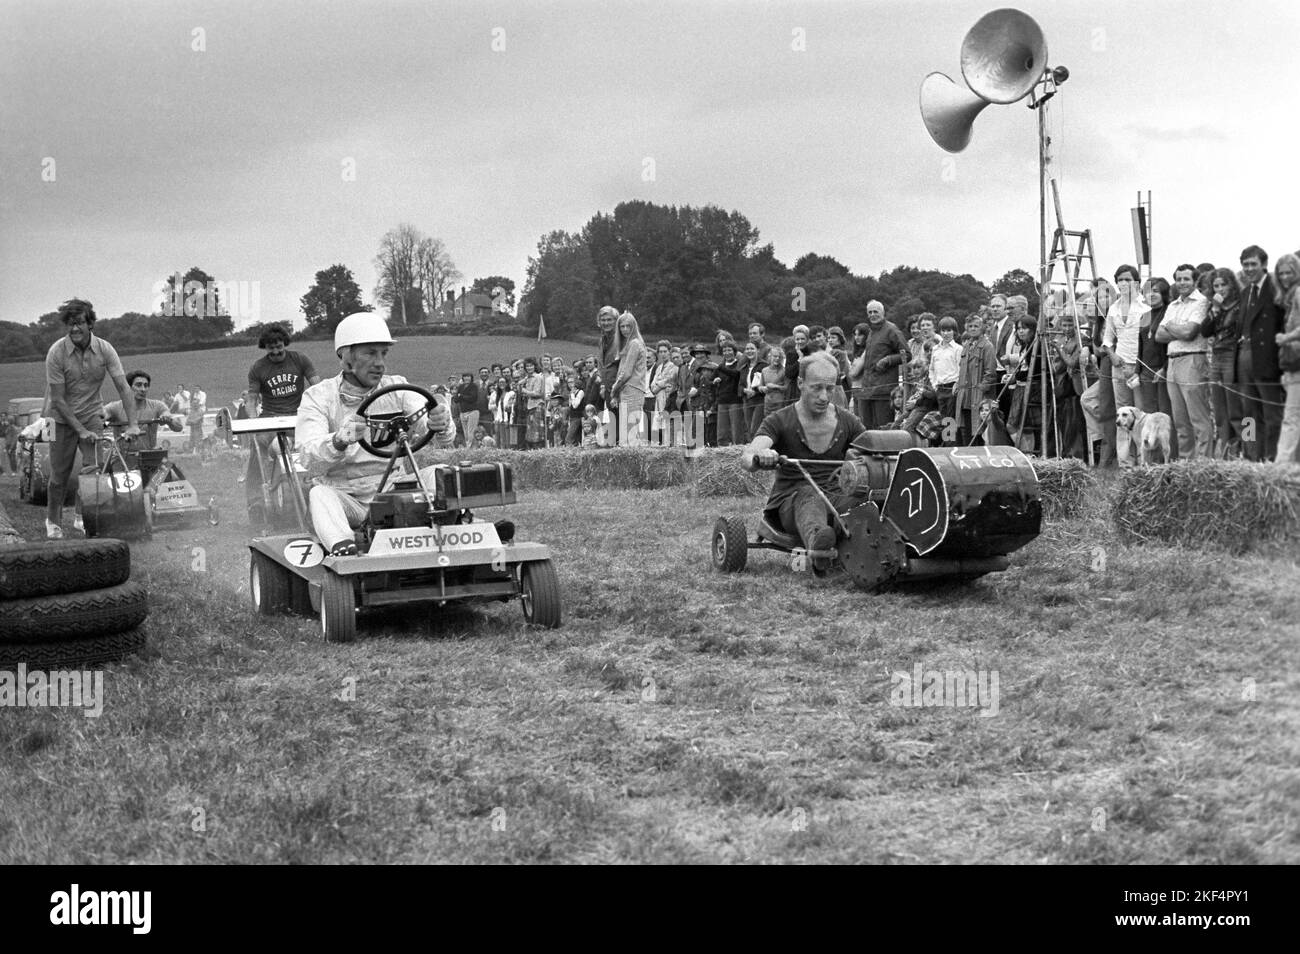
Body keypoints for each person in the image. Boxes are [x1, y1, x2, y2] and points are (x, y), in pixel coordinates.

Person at [296, 312, 455, 556]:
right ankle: (343, 547)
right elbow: (309, 457)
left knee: (442, 473)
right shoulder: (319, 397)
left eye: (384, 353)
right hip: (348, 496)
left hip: (394, 489)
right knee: (319, 494)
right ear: (347, 357)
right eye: (370, 353)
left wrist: (439, 422)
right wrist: (339, 440)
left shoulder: (397, 387)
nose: (380, 363)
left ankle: (460, 532)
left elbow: (431, 428)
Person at [742, 351, 867, 573]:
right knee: (809, 494)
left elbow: (870, 448)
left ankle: (857, 541)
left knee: (862, 497)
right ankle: (819, 545)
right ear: (800, 383)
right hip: (792, 501)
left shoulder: (847, 421)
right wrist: (762, 455)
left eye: (830, 389)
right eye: (816, 388)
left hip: (835, 496)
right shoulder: (780, 420)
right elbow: (748, 457)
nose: (824, 396)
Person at [43, 299, 140, 538]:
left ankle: (81, 516)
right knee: (59, 475)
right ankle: (53, 521)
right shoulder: (56, 352)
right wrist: (80, 430)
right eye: (70, 324)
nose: (74, 329)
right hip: (58, 419)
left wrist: (133, 424)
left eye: (79, 324)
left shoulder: (105, 349)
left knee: (92, 471)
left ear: (90, 324)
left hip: (91, 415)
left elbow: (123, 387)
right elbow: (58, 400)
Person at [245, 324, 320, 522]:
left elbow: (317, 386)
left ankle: (321, 488)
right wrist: (253, 421)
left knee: (317, 448)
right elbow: (252, 398)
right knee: (258, 455)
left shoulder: (300, 359)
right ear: (265, 348)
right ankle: (256, 503)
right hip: (271, 418)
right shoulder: (258, 368)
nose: (276, 351)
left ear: (284, 343)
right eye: (271, 348)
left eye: (279, 346)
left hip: (299, 416)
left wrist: (322, 407)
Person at [1156, 264, 1214, 459]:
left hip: (1192, 360)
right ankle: (1186, 466)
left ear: (1194, 281)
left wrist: (1171, 326)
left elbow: (1190, 333)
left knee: (1198, 418)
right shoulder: (1173, 305)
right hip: (1172, 362)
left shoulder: (1201, 302)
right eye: (1179, 279)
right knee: (1180, 421)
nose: (1182, 283)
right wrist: (1178, 328)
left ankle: (1204, 465)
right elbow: (1158, 335)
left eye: (1186, 279)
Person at [1237, 245, 1286, 461]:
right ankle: (1251, 456)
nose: (1249, 269)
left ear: (1264, 265)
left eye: (1253, 264)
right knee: (1249, 413)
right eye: (1245, 264)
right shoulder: (1245, 291)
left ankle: (1271, 458)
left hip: (1267, 359)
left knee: (1271, 414)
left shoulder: (1275, 287)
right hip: (1244, 357)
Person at [1199, 267, 1244, 458]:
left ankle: (1249, 449)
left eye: (1223, 285)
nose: (1219, 289)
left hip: (1233, 356)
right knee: (1220, 412)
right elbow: (1205, 331)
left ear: (1231, 285)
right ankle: (1227, 454)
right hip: (1216, 357)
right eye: (1216, 286)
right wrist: (1215, 310)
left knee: (1238, 410)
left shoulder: (1241, 305)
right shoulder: (1215, 307)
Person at [1135, 278, 1176, 458]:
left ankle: (1169, 460)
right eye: (1148, 291)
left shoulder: (1170, 313)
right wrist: (1137, 371)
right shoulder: (1144, 316)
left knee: (1165, 418)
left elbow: (1172, 345)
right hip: (1145, 372)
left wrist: (1165, 368)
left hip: (1162, 371)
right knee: (1150, 419)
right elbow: (1140, 347)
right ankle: (1152, 462)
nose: (1151, 294)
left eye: (1156, 291)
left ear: (1164, 294)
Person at [851, 300, 908, 428]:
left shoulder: (892, 330)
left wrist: (888, 360)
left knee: (883, 429)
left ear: (883, 313)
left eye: (875, 311)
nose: (872, 315)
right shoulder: (871, 332)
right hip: (867, 389)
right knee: (865, 428)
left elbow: (907, 354)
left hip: (884, 390)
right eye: (869, 312)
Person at [1104, 265, 1145, 416]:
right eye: (1120, 280)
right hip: (1119, 364)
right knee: (1122, 410)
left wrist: (1140, 365)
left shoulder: (1145, 306)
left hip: (1139, 365)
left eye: (1128, 279)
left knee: (1140, 411)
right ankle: (1124, 441)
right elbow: (1107, 338)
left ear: (1136, 282)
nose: (1123, 283)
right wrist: (1112, 355)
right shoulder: (1114, 308)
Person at [104, 370, 183, 449]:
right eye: (138, 385)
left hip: (148, 457)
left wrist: (168, 419)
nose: (143, 389)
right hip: (122, 458)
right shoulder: (114, 407)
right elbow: (100, 415)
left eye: (146, 385)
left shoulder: (157, 405)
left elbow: (178, 427)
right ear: (128, 387)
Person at [1272, 252, 1300, 465]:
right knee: (1245, 416)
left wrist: (1286, 337)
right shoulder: (1286, 297)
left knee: (1288, 417)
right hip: (1286, 364)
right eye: (1281, 274)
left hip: (1292, 362)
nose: (1284, 277)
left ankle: (1281, 465)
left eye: (1289, 272)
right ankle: (1248, 452)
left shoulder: (1297, 293)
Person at [954, 314, 998, 446]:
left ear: (983, 327)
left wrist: (980, 391)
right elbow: (962, 370)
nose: (973, 329)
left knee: (978, 431)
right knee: (964, 430)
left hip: (978, 397)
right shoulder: (967, 345)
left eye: (976, 326)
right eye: (970, 326)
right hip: (964, 396)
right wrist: (957, 384)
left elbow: (990, 373)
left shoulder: (987, 346)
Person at [610, 312, 648, 446]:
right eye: (622, 326)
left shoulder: (634, 344)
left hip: (633, 389)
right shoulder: (630, 344)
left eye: (628, 326)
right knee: (627, 432)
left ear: (634, 327)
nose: (625, 329)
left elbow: (626, 373)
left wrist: (614, 389)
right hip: (628, 389)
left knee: (630, 432)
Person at [929, 317, 962, 436]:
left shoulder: (958, 349)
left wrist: (957, 384)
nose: (946, 333)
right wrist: (934, 385)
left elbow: (960, 369)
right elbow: (931, 369)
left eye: (949, 330)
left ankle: (951, 445)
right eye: (943, 331)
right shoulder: (935, 349)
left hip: (952, 388)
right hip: (940, 388)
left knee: (951, 418)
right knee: (943, 418)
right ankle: (946, 442)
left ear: (954, 332)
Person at [712, 340, 745, 446]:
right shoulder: (720, 367)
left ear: (734, 351)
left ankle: (738, 449)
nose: (727, 352)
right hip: (722, 401)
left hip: (735, 401)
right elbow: (710, 380)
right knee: (722, 432)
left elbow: (736, 375)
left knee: (736, 431)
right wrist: (715, 380)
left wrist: (721, 367)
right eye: (724, 350)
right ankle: (722, 451)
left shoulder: (738, 364)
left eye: (729, 350)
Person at [597, 306, 621, 444]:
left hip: (619, 387)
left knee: (621, 423)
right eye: (603, 320)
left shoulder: (621, 339)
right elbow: (601, 363)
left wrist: (616, 392)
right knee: (612, 423)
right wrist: (602, 384)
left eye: (609, 320)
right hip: (606, 387)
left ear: (616, 320)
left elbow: (621, 366)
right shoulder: (601, 340)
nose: (606, 323)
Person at [740, 341, 765, 441]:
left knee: (755, 428)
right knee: (749, 428)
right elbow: (740, 386)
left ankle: (757, 449)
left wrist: (756, 391)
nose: (749, 351)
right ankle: (751, 450)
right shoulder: (743, 367)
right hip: (747, 401)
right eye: (747, 349)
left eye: (752, 348)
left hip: (759, 401)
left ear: (757, 350)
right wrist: (745, 390)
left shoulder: (763, 365)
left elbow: (765, 383)